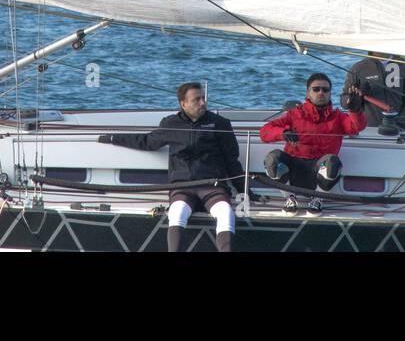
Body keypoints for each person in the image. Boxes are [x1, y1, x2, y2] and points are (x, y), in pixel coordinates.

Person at [99, 82, 245, 252]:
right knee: (177, 213)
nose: (203, 103)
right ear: (183, 104)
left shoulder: (220, 124)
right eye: (197, 99)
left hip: (212, 186)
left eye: (203, 98)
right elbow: (147, 142)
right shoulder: (171, 123)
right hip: (182, 186)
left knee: (226, 214)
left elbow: (232, 160)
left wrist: (245, 191)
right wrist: (111, 139)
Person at [260, 72, 366, 213]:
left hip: (319, 170)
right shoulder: (294, 115)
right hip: (293, 168)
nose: (321, 93)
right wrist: (283, 133)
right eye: (316, 89)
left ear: (330, 94)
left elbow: (356, 127)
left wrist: (355, 110)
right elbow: (265, 132)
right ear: (308, 93)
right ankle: (289, 197)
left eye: (325, 90)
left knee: (332, 161)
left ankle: (317, 198)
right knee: (272, 159)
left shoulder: (338, 117)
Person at [342, 53, 405, 130]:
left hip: (397, 130)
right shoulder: (359, 67)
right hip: (367, 129)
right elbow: (344, 103)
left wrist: (401, 123)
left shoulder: (403, 66)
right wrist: (353, 99)